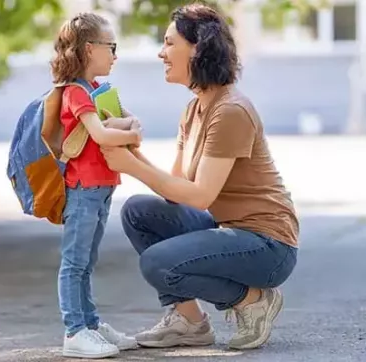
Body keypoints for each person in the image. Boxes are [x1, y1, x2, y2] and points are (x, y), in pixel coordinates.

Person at [101, 3, 299, 351]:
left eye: (169, 43)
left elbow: (200, 196)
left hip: (268, 245)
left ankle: (253, 299)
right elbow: (175, 191)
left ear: (199, 48)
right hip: (231, 232)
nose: (161, 53)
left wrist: (130, 165)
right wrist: (132, 149)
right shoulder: (194, 109)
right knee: (138, 211)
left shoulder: (230, 111)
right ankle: (189, 321)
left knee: (157, 262)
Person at [50, 12, 143, 359]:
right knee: (74, 263)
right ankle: (75, 332)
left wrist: (127, 124)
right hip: (84, 189)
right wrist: (131, 132)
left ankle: (90, 324)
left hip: (102, 188)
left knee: (86, 262)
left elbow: (125, 117)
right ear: (90, 49)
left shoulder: (97, 91)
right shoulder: (75, 92)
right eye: (111, 47)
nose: (115, 55)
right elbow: (104, 132)